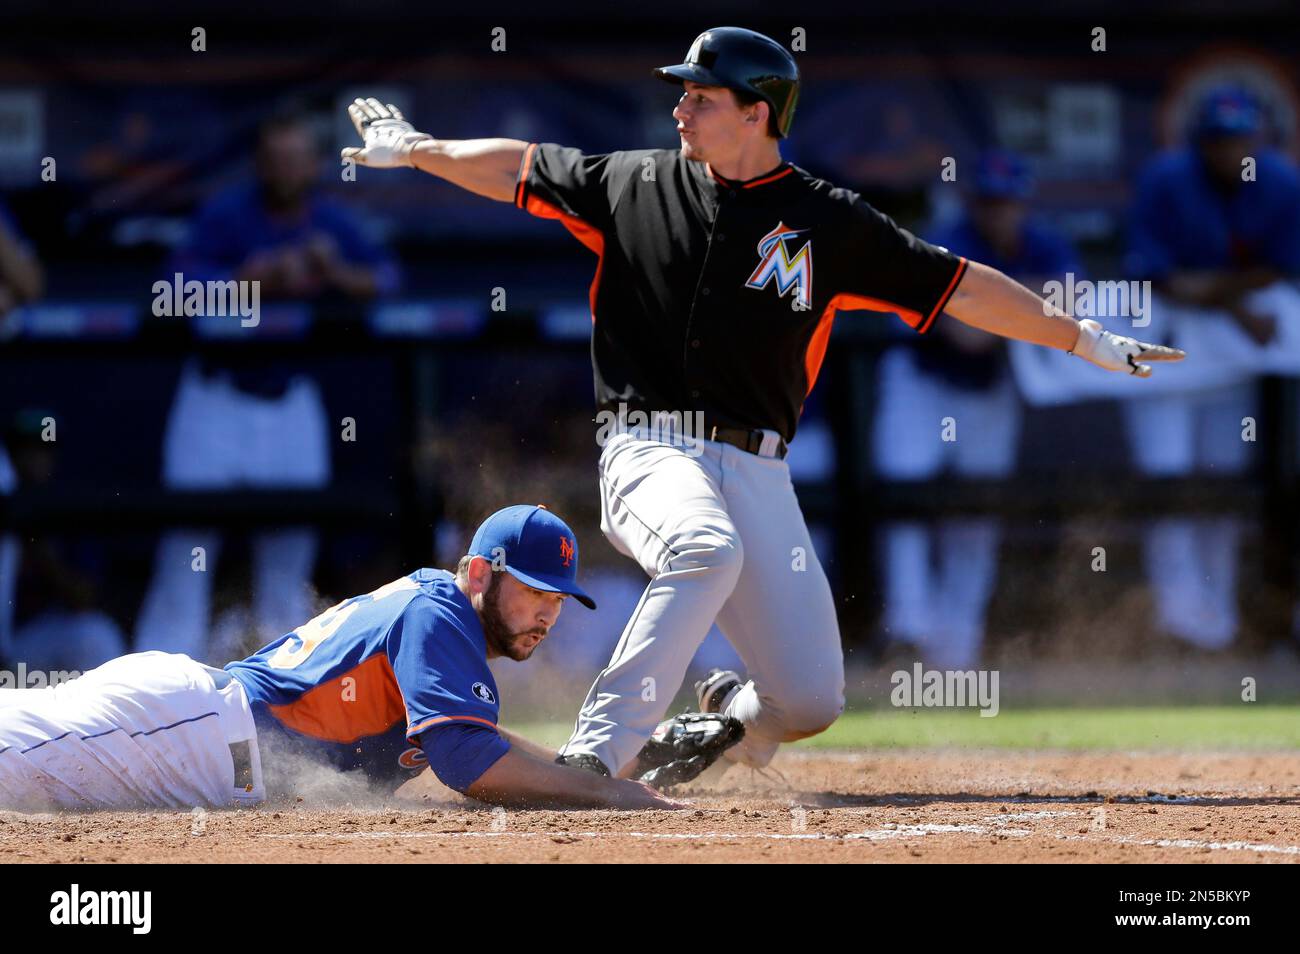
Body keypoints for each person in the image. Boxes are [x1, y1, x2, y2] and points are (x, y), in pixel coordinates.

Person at [342, 26, 1182, 778]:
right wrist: (417, 147)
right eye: (681, 93)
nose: (680, 108)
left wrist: (1083, 337)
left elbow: (959, 287)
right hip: (648, 447)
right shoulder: (632, 183)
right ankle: (596, 754)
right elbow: (518, 166)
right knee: (702, 549)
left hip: (757, 468)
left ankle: (719, 722)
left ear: (758, 114)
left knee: (809, 701)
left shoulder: (829, 222)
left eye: (701, 97)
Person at [0, 506, 689, 811]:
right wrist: (607, 791)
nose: (548, 611)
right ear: (480, 574)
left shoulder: (441, 627)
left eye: (560, 599)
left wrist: (589, 765)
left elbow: (471, 740)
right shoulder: (438, 612)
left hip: (197, 740)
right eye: (534, 591)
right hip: (195, 732)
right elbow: (468, 763)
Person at [135, 111, 400, 662]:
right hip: (216, 400)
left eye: (295, 159)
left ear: (314, 165)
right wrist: (247, 278)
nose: (284, 171)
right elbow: (168, 290)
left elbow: (390, 280)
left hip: (288, 404)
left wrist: (336, 274)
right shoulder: (228, 215)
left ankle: (285, 714)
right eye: (274, 159)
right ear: (259, 164)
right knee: (186, 557)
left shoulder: (328, 222)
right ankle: (147, 701)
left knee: (287, 572)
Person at [873, 150, 1082, 668]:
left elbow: (1075, 303)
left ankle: (956, 648)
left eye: (1008, 203)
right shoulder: (951, 241)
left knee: (977, 513)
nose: (1000, 213)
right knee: (906, 504)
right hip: (922, 382)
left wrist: (999, 307)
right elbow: (966, 336)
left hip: (989, 390)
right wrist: (1027, 307)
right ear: (974, 203)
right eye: (990, 202)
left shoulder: (1042, 242)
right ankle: (909, 632)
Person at [1123, 85, 1300, 651]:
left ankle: (1216, 619)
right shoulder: (1166, 179)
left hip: (1230, 355)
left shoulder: (1278, 181)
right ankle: (1177, 619)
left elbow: (1280, 269)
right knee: (1169, 478)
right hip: (1163, 346)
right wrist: (1236, 304)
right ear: (1202, 143)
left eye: (1243, 140)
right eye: (1222, 142)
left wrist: (1215, 293)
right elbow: (1158, 278)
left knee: (1223, 481)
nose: (1233, 152)